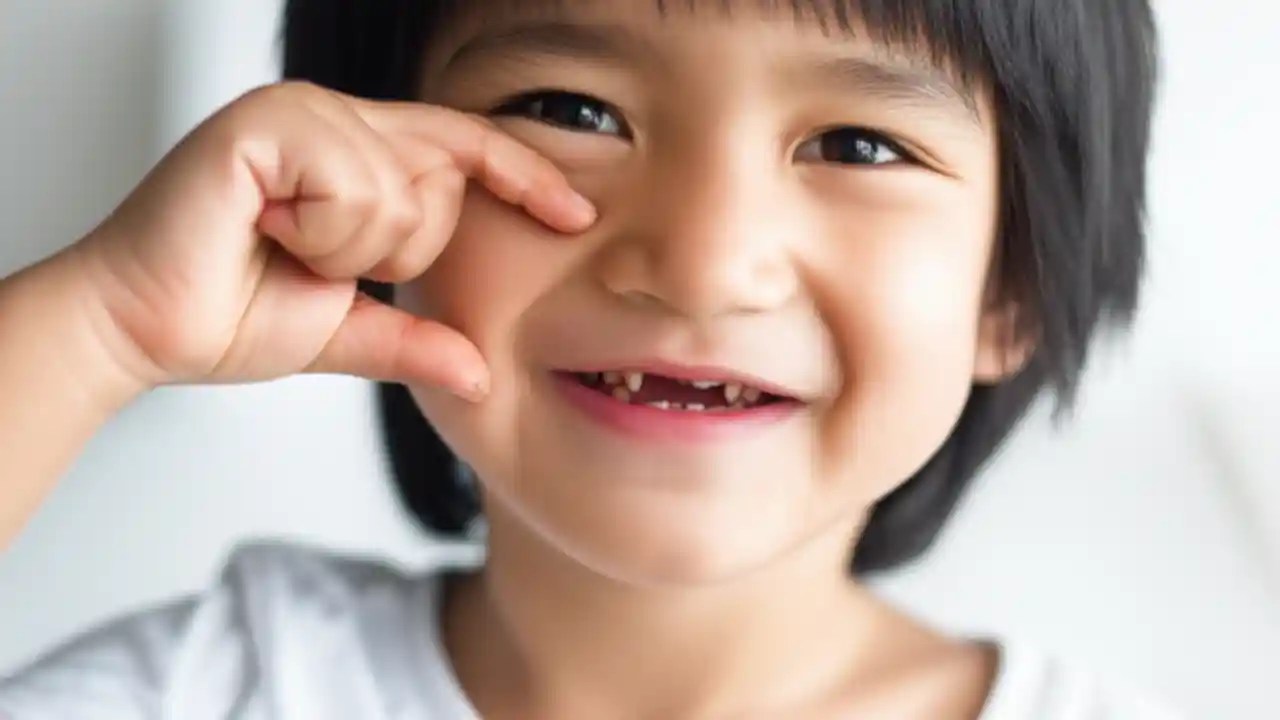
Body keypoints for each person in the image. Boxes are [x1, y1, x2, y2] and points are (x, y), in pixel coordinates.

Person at [0, 1, 1176, 717]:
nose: (703, 263)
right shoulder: (216, 690)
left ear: (1008, 291)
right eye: (570, 107)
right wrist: (102, 327)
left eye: (858, 143)